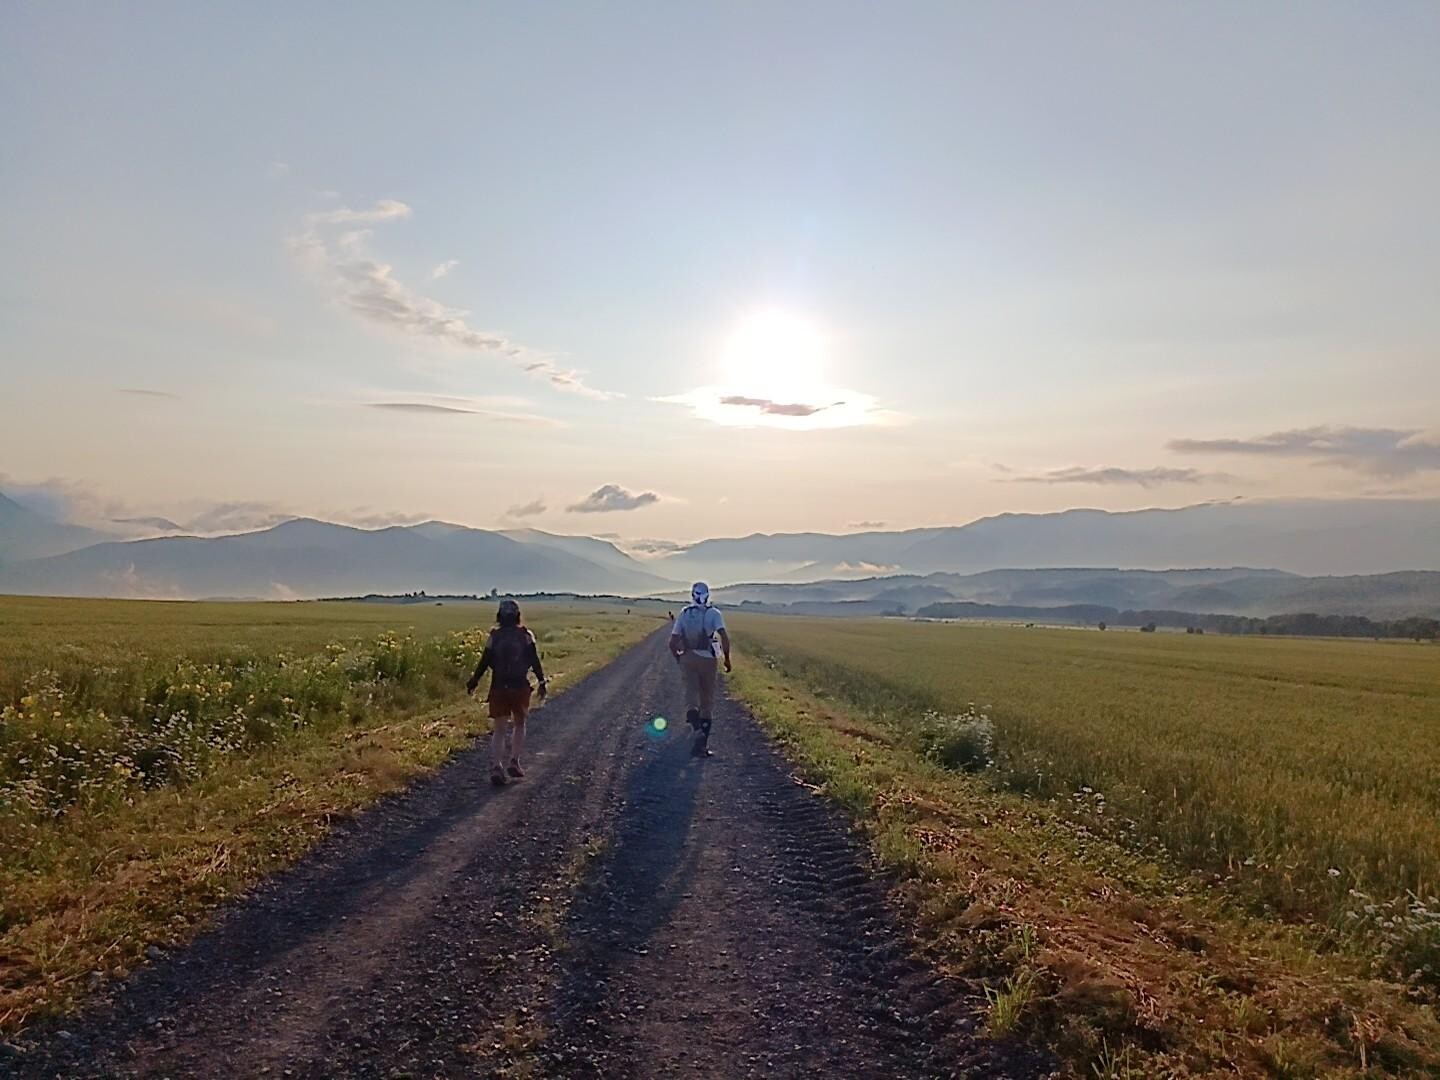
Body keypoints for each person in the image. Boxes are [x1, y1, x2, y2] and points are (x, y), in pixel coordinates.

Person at [467, 599, 547, 785]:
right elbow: (535, 661)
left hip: (498, 687)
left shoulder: (494, 636)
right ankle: (514, 761)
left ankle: (497, 766)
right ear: (518, 615)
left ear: (500, 616)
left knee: (500, 729)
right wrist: (542, 681)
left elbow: (484, 662)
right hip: (519, 687)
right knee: (519, 724)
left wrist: (474, 681)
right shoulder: (526, 635)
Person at [669, 581, 731, 756]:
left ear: (692, 595)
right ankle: (701, 745)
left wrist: (679, 658)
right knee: (707, 701)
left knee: (691, 697)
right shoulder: (714, 614)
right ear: (708, 595)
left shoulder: (684, 613)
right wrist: (727, 659)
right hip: (708, 660)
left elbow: (672, 642)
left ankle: (695, 729)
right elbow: (724, 638)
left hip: (688, 658)